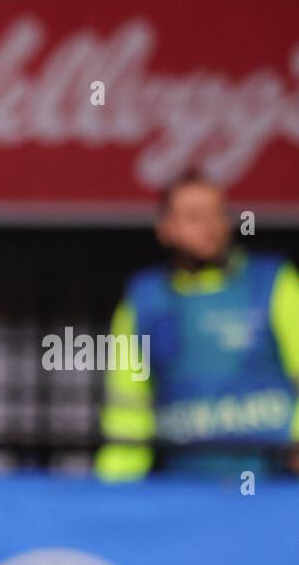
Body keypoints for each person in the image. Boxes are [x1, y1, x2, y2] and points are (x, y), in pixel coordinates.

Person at [96, 171, 299, 480]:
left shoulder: (276, 284)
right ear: (165, 229)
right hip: (185, 490)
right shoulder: (143, 303)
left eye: (217, 214)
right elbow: (127, 411)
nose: (209, 227)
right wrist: (113, 494)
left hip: (272, 486)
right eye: (193, 216)